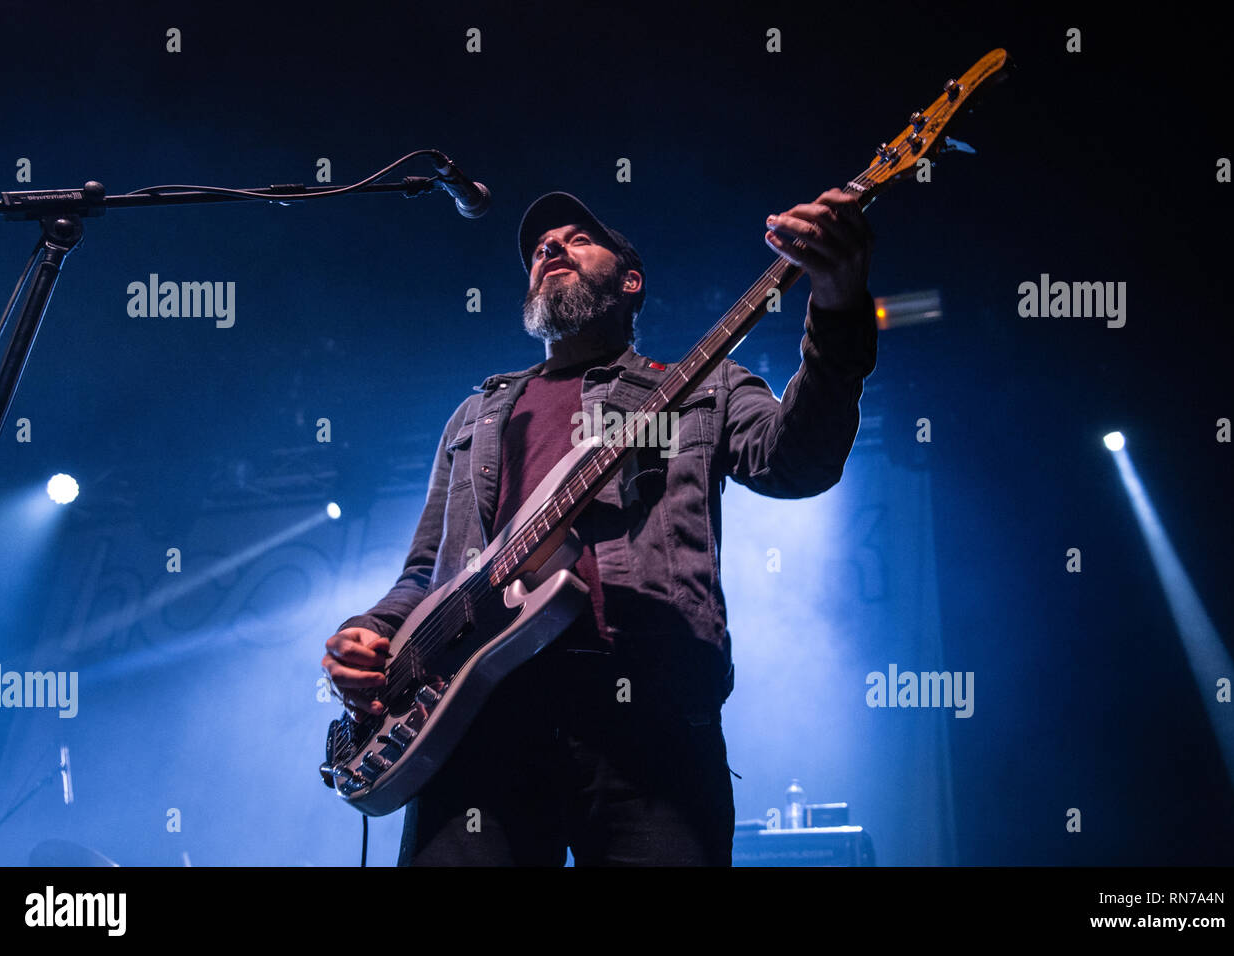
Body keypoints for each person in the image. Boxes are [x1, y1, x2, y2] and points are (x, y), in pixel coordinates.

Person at [321, 188, 878, 865]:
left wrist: (839, 305)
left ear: (631, 280)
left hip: (647, 722)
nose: (549, 249)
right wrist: (374, 632)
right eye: (537, 249)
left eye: (577, 238)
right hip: (474, 725)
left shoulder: (705, 387)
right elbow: (425, 574)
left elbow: (800, 462)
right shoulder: (474, 419)